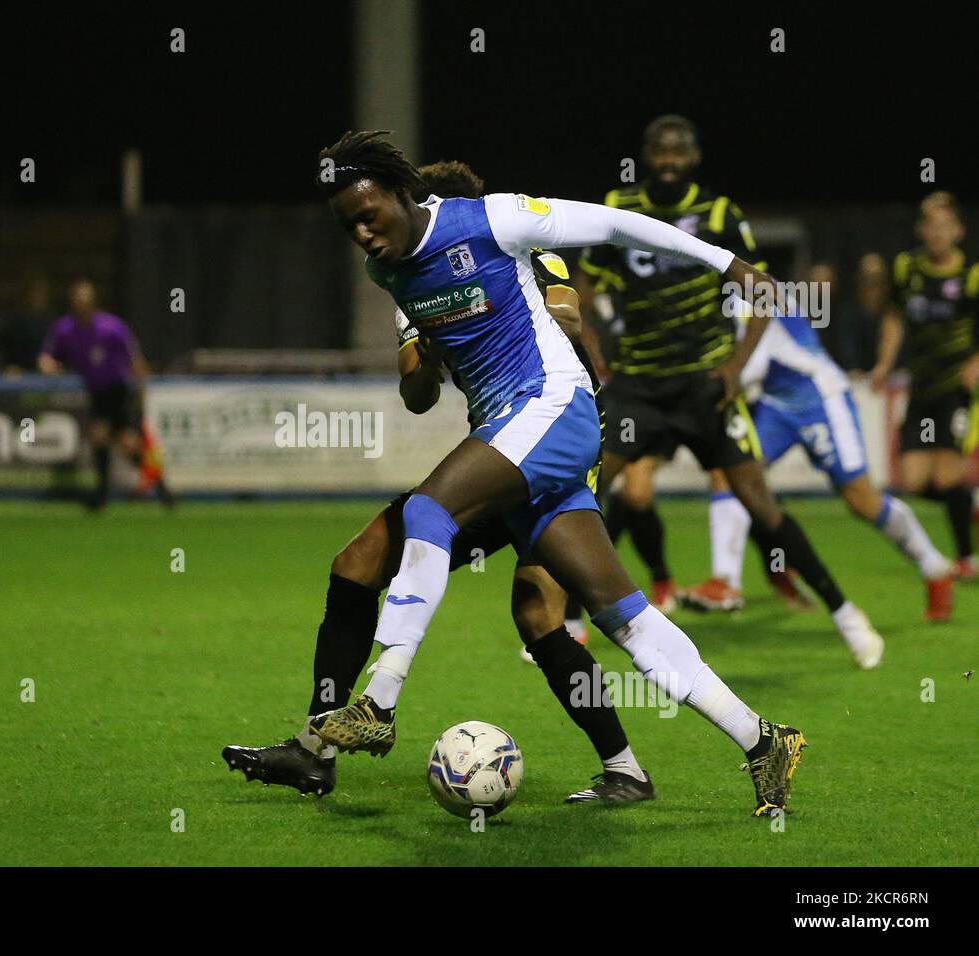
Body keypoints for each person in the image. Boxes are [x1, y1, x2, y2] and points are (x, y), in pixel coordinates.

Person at [305, 130, 805, 818]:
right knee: (623, 617)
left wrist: (727, 263)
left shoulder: (491, 219)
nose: (362, 233)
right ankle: (762, 739)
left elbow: (614, 224)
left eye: (370, 214)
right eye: (348, 225)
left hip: (551, 406)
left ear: (403, 194)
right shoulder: (388, 275)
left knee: (428, 512)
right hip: (513, 437)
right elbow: (423, 383)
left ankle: (379, 700)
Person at [224, 161, 655, 805]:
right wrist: (430, 336)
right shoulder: (407, 280)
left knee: (540, 613)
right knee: (357, 562)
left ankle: (625, 770)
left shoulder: (522, 251)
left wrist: (484, 300)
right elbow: (418, 395)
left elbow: (566, 322)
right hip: (494, 450)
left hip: (552, 445)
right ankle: (316, 748)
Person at [575, 115, 883, 665]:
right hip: (639, 386)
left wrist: (737, 365)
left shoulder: (719, 214)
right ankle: (574, 618)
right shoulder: (617, 204)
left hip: (705, 387)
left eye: (679, 152)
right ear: (646, 155)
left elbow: (763, 291)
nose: (668, 161)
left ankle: (846, 613)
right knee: (590, 492)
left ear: (693, 158)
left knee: (758, 502)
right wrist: (595, 352)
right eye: (660, 152)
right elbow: (585, 279)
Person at [683, 310, 955, 623]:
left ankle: (934, 566)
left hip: (819, 396)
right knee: (726, 473)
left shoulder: (748, 291)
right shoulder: (719, 294)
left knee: (862, 500)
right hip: (775, 402)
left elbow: (746, 368)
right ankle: (725, 581)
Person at [871, 192, 979, 580]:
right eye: (930, 226)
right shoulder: (906, 269)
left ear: (959, 232)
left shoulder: (971, 274)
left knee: (949, 476)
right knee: (914, 480)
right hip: (921, 387)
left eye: (944, 226)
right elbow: (894, 317)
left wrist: (975, 362)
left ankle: (967, 558)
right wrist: (884, 363)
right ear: (921, 231)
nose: (936, 233)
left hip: (957, 389)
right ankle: (970, 505)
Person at [39, 279, 171, 508]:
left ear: (93, 303)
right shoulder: (65, 329)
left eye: (86, 301)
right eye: (78, 302)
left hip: (119, 390)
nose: (82, 306)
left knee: (128, 444)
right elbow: (48, 356)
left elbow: (136, 361)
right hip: (96, 392)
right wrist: (47, 366)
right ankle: (102, 494)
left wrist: (141, 390)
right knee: (99, 438)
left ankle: (160, 488)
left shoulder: (112, 328)